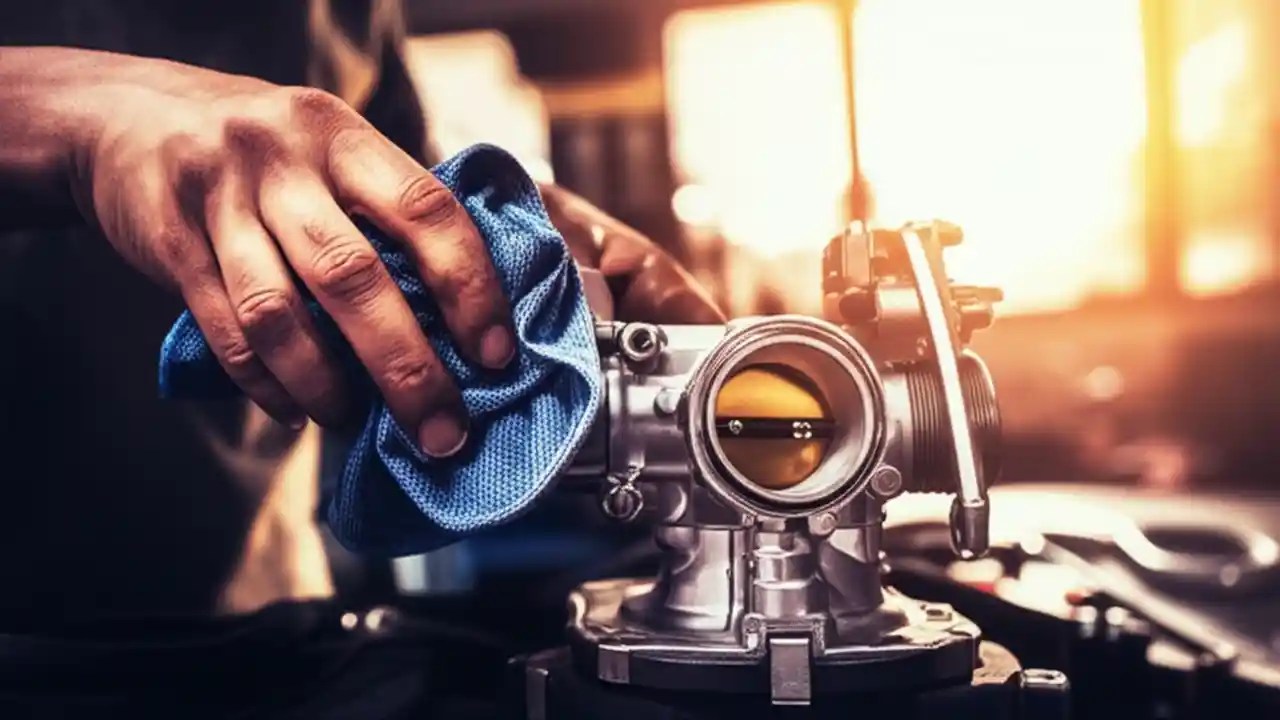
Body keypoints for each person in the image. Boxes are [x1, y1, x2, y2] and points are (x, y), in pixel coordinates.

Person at [0, 2, 720, 715]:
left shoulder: (348, 13)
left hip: (260, 629)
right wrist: (86, 120)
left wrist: (504, 250)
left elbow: (383, 216)